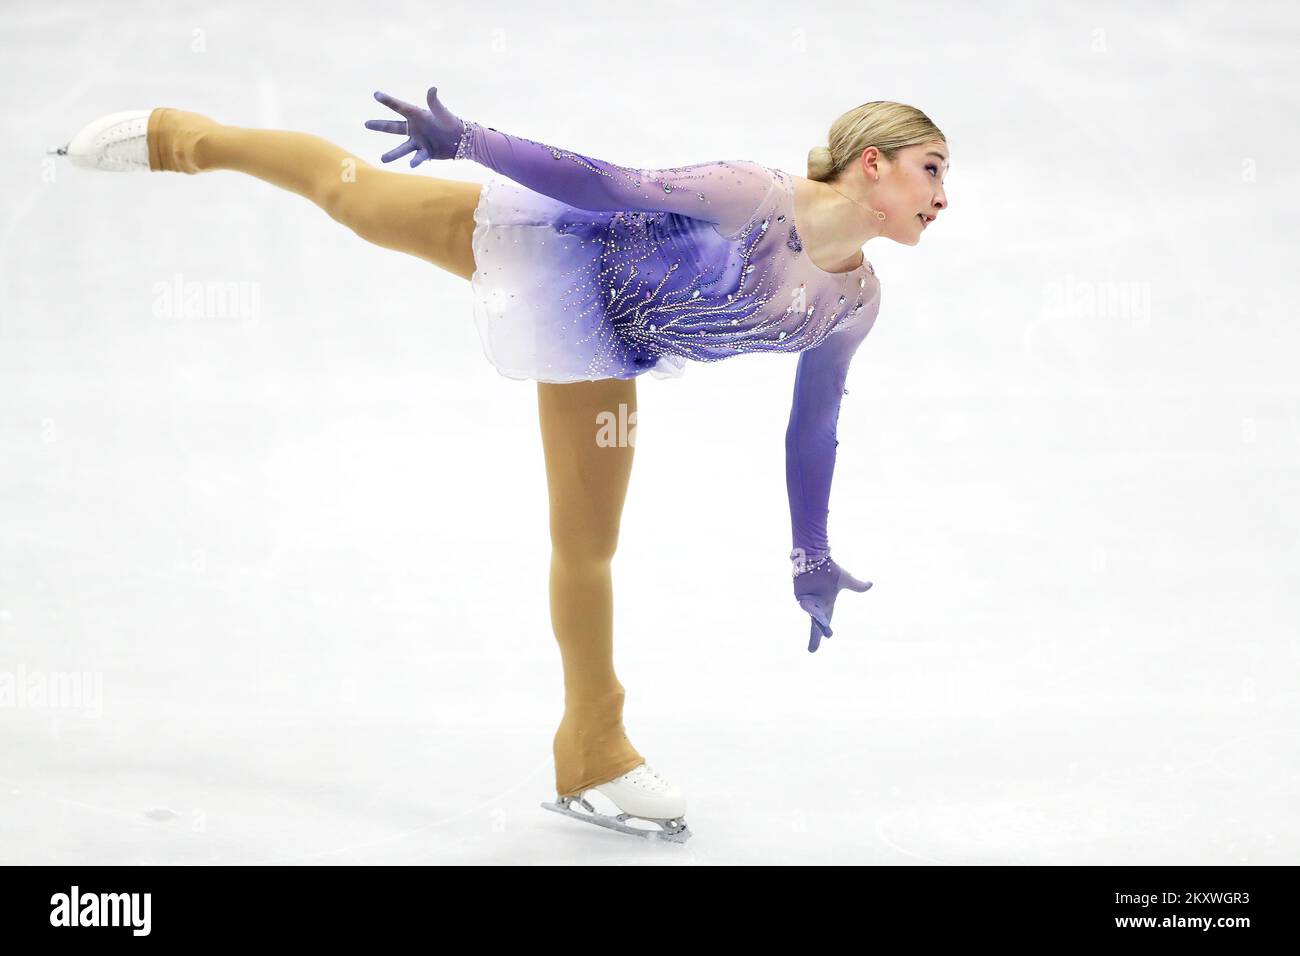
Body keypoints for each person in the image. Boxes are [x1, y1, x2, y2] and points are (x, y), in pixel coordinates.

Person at [54, 90, 948, 842]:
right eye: (932, 169)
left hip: (602, 345)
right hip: (560, 253)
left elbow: (813, 424)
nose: (942, 194)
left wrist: (810, 551)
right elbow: (608, 182)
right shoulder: (751, 195)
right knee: (353, 195)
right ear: (872, 164)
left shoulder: (855, 300)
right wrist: (468, 141)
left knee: (589, 543)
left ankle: (592, 752)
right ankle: (184, 137)